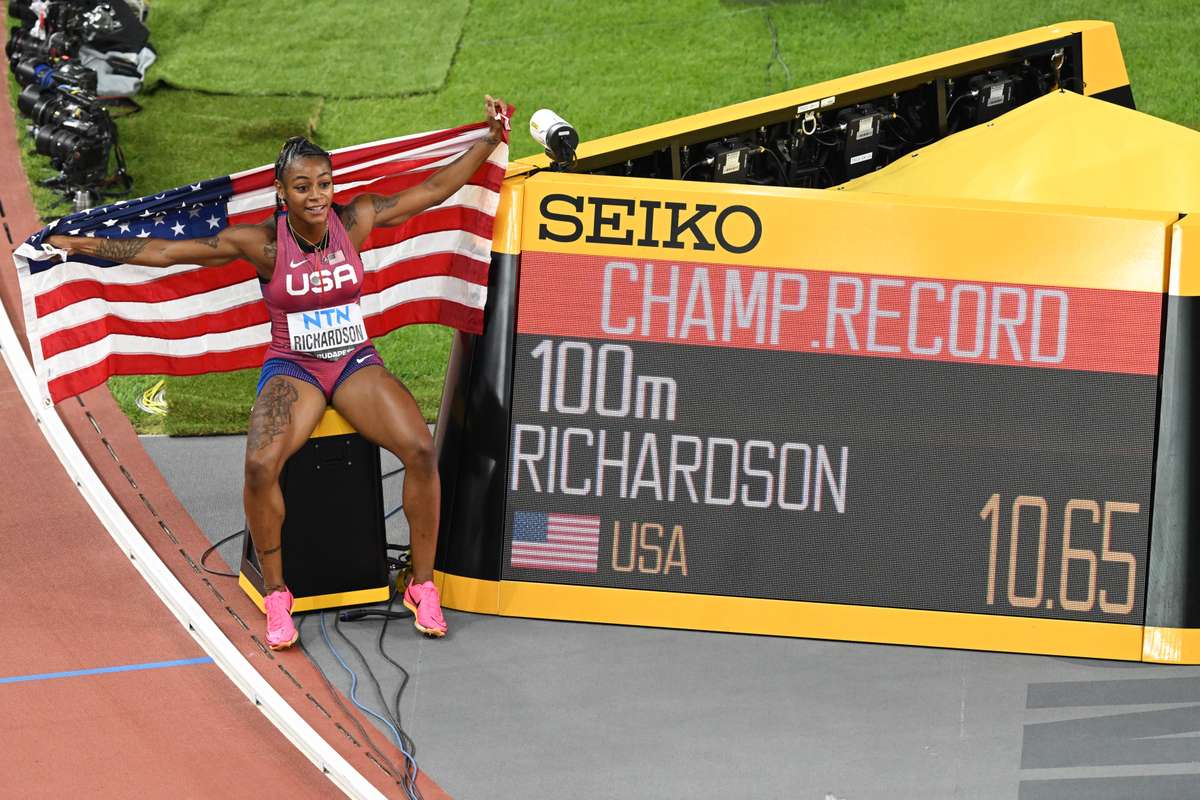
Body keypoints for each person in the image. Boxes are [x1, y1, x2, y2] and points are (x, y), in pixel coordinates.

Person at [48, 95, 510, 649]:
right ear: (281, 193)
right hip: (296, 367)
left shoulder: (354, 219)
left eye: (323, 184)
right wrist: (80, 244)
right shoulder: (264, 244)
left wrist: (489, 138)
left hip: (353, 360)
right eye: (302, 187)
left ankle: (422, 585)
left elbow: (433, 190)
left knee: (419, 450)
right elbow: (169, 253)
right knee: (261, 465)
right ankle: (277, 594)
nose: (316, 196)